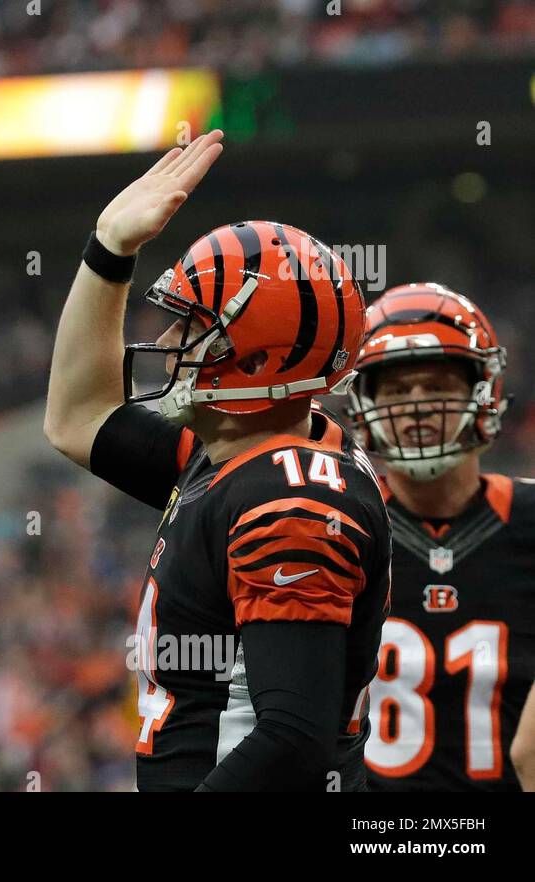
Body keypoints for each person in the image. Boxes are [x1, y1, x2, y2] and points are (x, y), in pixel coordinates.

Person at [44, 130, 392, 790]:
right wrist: (109, 249)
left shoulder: (290, 498)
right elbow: (77, 418)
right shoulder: (238, 455)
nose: (166, 339)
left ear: (259, 362)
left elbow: (292, 739)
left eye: (192, 326)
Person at [345, 282, 535, 791]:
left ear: (481, 392)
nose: (417, 406)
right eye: (397, 389)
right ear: (364, 401)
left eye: (437, 386)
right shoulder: (339, 526)